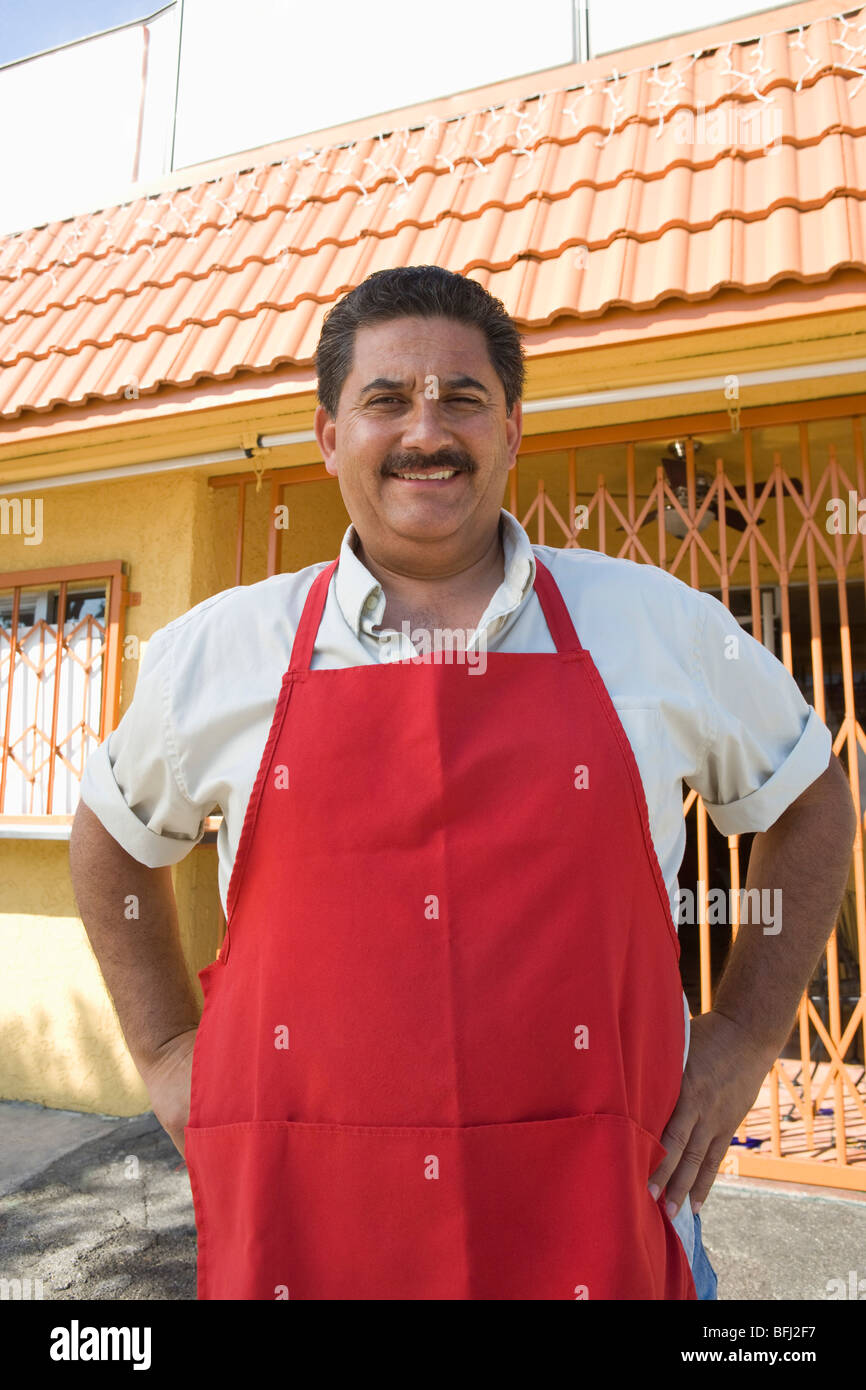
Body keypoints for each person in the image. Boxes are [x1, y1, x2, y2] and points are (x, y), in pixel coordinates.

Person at [70, 265, 856, 1301]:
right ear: (326, 435)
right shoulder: (224, 650)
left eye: (463, 398)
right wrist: (169, 1048)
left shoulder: (654, 624)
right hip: (306, 1237)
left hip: (608, 1222)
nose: (425, 431)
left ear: (513, 430)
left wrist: (746, 1032)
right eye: (385, 400)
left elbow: (808, 798)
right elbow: (113, 837)